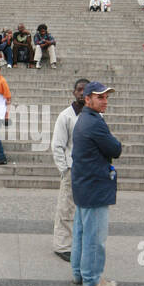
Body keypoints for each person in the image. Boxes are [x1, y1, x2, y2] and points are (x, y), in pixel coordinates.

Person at [70, 81, 121, 286]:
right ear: (88, 98)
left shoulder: (83, 118)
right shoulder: (94, 122)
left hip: (83, 184)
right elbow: (115, 148)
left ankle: (79, 273)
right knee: (95, 237)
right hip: (94, 186)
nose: (105, 101)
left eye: (106, 97)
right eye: (100, 97)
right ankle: (92, 279)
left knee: (82, 232)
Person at [51, 78, 88, 261]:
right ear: (74, 92)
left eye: (85, 90)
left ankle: (77, 242)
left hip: (88, 170)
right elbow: (58, 145)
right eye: (79, 89)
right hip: (72, 168)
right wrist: (64, 169)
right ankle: (62, 245)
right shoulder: (65, 116)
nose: (82, 93)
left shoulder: (95, 115)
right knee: (66, 208)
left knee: (82, 210)